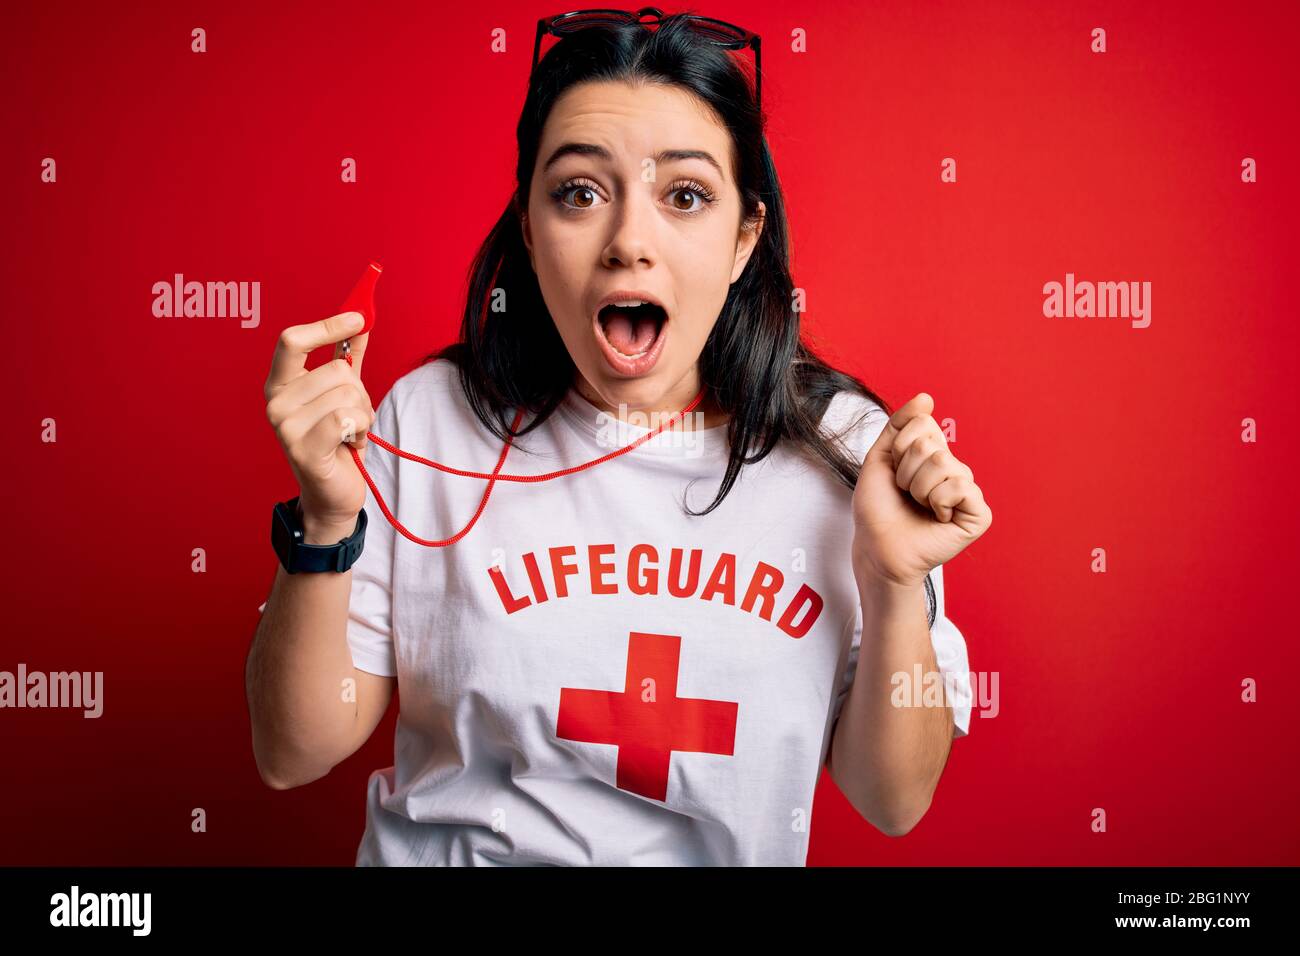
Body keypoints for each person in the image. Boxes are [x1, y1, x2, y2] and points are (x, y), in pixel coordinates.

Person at [246, 9, 992, 866]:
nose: (629, 242)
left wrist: (894, 580)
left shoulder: (846, 451)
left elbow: (892, 800)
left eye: (685, 196)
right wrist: (325, 521)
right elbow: (290, 753)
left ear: (746, 237)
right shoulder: (428, 420)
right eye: (579, 193)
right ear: (529, 229)